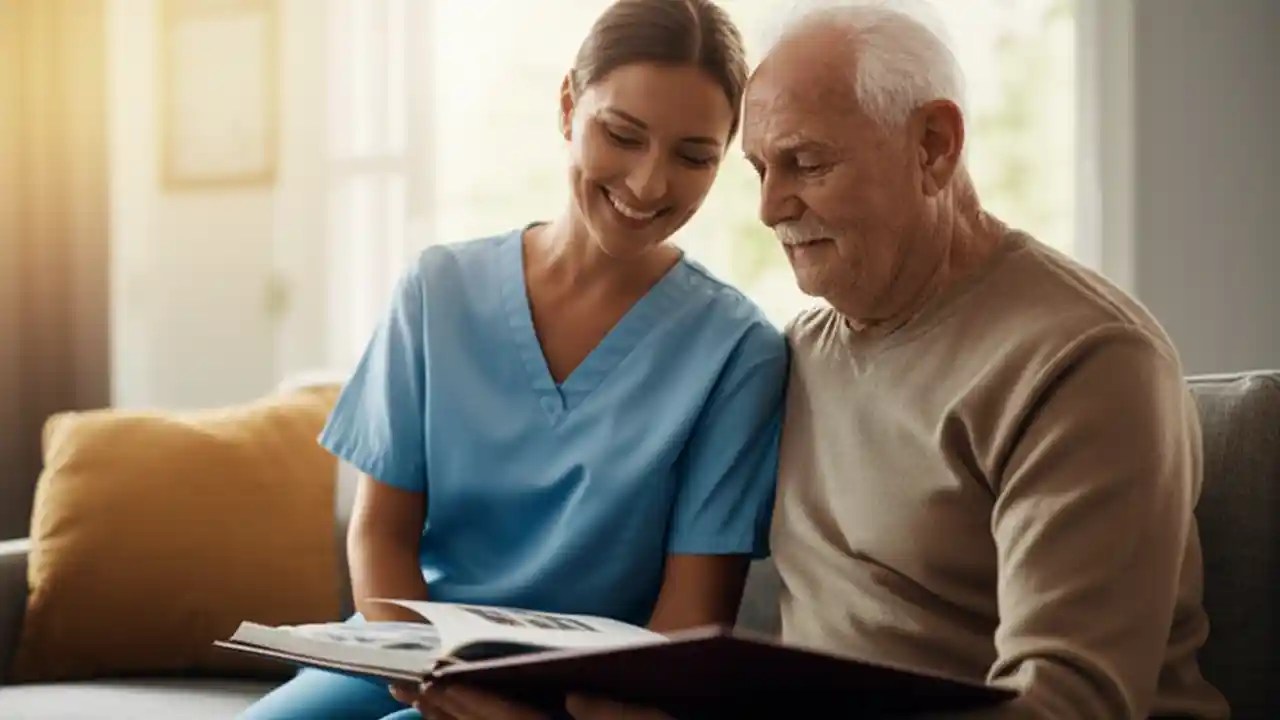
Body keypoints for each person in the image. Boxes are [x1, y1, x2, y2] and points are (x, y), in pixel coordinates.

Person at [543, 1, 1234, 719]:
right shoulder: (791, 357)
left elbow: (1066, 703)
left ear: (933, 145)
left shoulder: (1083, 362)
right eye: (758, 169)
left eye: (805, 163)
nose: (771, 207)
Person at [238, 1, 789, 719]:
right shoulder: (437, 292)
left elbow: (689, 621)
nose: (651, 184)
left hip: (590, 694)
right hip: (406, 647)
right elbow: (381, 529)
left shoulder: (738, 349)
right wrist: (430, 678)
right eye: (622, 135)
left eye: (693, 156)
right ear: (568, 106)